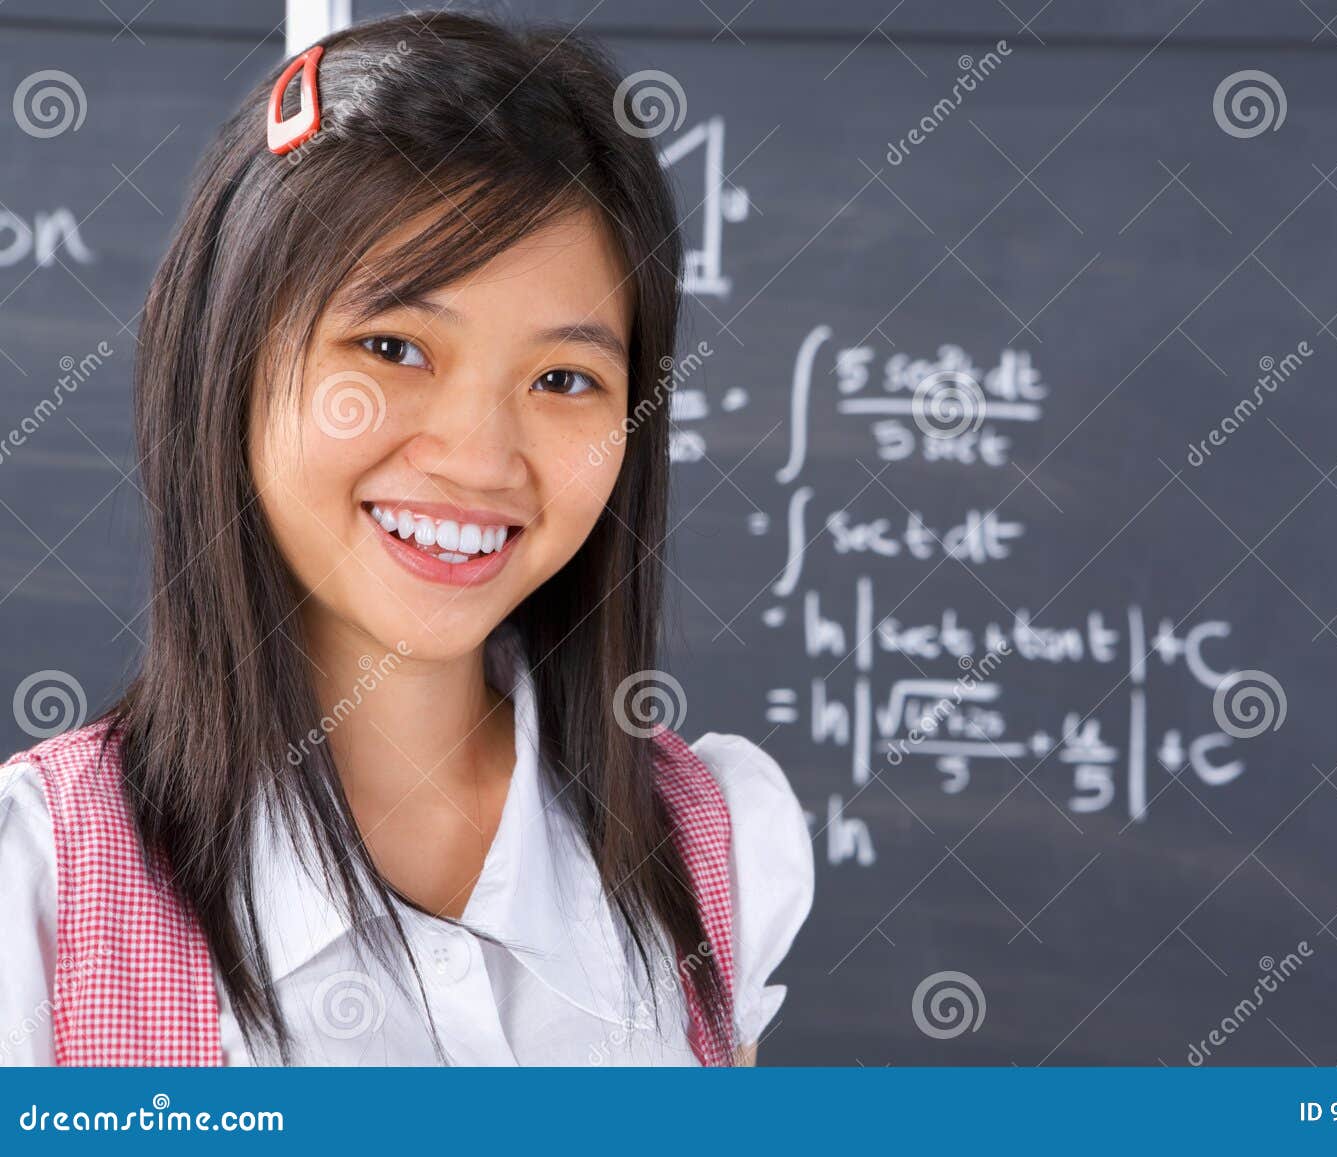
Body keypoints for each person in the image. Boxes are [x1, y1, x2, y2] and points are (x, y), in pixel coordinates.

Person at [0, 9, 812, 1066]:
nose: (480, 458)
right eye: (393, 346)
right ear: (226, 359)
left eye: (564, 379)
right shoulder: (40, 887)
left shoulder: (713, 853)